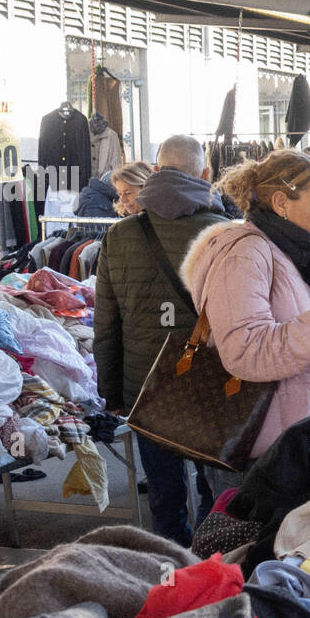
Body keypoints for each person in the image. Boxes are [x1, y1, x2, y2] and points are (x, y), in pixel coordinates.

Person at [180, 149, 310, 463]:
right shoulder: (247, 253)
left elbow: (287, 341)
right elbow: (246, 351)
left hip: (289, 437)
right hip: (262, 451)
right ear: (280, 202)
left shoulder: (285, 252)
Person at [94, 135, 228, 547]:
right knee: (214, 487)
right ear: (205, 176)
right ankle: (212, 564)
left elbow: (107, 325)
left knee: (164, 493)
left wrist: (111, 392)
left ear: (154, 173)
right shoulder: (226, 236)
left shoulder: (118, 237)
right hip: (210, 380)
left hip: (145, 385)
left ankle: (170, 569)